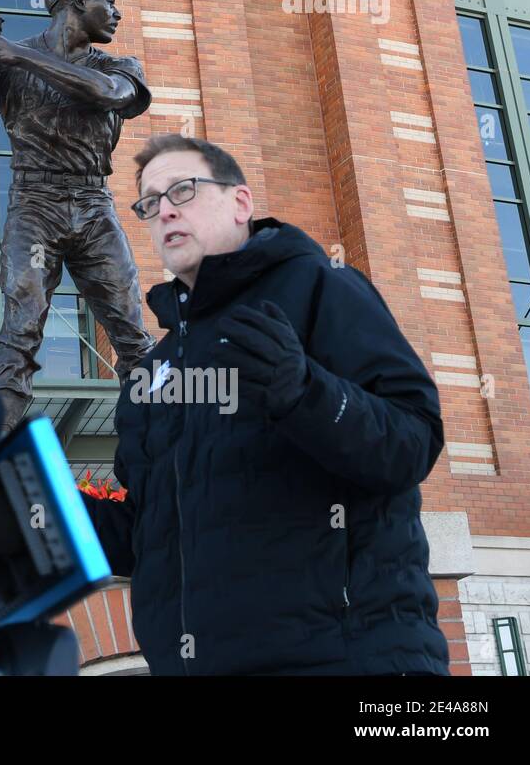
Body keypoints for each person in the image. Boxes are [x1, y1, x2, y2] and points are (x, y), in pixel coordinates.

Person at [82, 133, 450, 675]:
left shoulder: (320, 286)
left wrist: (305, 393)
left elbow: (412, 441)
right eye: (149, 202)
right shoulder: (154, 370)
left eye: (182, 190)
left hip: (349, 659)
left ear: (241, 203)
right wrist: (33, 506)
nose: (164, 211)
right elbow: (144, 536)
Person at [0, 0, 154, 434]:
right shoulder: (9, 62)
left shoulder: (116, 65)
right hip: (34, 205)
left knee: (134, 339)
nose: (116, 12)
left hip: (93, 206)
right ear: (76, 1)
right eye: (106, 0)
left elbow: (108, 94)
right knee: (21, 329)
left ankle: (168, 446)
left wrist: (15, 55)